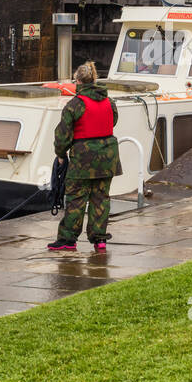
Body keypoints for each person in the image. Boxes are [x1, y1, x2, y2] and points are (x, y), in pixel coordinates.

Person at [48, 61, 120, 254]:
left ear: (78, 81)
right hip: (108, 158)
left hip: (83, 160)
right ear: (94, 79)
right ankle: (100, 240)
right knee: (101, 199)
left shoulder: (74, 105)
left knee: (76, 199)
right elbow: (113, 120)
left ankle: (68, 240)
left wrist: (61, 155)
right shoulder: (109, 102)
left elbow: (62, 136)